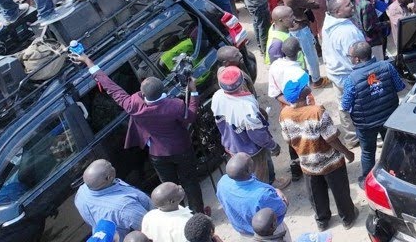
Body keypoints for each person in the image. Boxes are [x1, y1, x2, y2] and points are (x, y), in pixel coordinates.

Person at [72, 52, 205, 212]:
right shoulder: (175, 105)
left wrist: (88, 61)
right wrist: (193, 92)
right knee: (190, 182)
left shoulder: (133, 105)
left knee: (168, 188)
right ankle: (199, 214)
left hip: (157, 154)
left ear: (143, 93)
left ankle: (180, 215)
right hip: (182, 149)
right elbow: (190, 117)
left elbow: (111, 87)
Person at [278, 74, 360, 230]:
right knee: (340, 190)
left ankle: (322, 221)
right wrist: (347, 153)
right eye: (304, 86)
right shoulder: (316, 111)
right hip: (331, 161)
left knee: (316, 194)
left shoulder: (284, 114)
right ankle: (348, 218)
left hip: (308, 163)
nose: (307, 85)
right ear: (303, 94)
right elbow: (331, 138)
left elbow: (288, 139)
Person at [340, 41, 406, 177]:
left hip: (366, 125)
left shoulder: (351, 79)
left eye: (349, 56)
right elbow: (400, 87)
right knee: (393, 148)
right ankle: (398, 174)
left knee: (368, 152)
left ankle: (367, 180)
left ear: (357, 59)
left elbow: (345, 105)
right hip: (389, 119)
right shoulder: (386, 66)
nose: (349, 58)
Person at [210, 66, 280, 185]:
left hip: (232, 146)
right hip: (252, 151)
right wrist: (273, 146)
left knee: (245, 177)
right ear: (242, 82)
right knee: (260, 178)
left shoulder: (217, 96)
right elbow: (257, 135)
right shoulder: (246, 107)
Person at [215, 152, 289, 238]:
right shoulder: (263, 195)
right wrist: (279, 193)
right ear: (248, 170)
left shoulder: (222, 182)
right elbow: (282, 208)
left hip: (244, 233)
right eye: (250, 160)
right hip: (270, 235)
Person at [74, 159, 152, 235]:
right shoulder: (125, 207)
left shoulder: (81, 193)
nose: (112, 166)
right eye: (110, 166)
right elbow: (151, 229)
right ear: (109, 178)